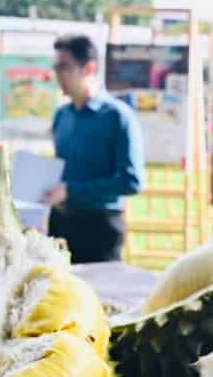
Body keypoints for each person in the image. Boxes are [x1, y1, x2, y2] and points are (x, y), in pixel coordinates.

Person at [43, 34, 145, 263]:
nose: (57, 75)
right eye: (55, 67)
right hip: (60, 224)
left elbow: (132, 181)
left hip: (100, 228)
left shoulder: (118, 117)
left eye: (64, 67)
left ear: (89, 68)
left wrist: (72, 191)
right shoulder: (62, 116)